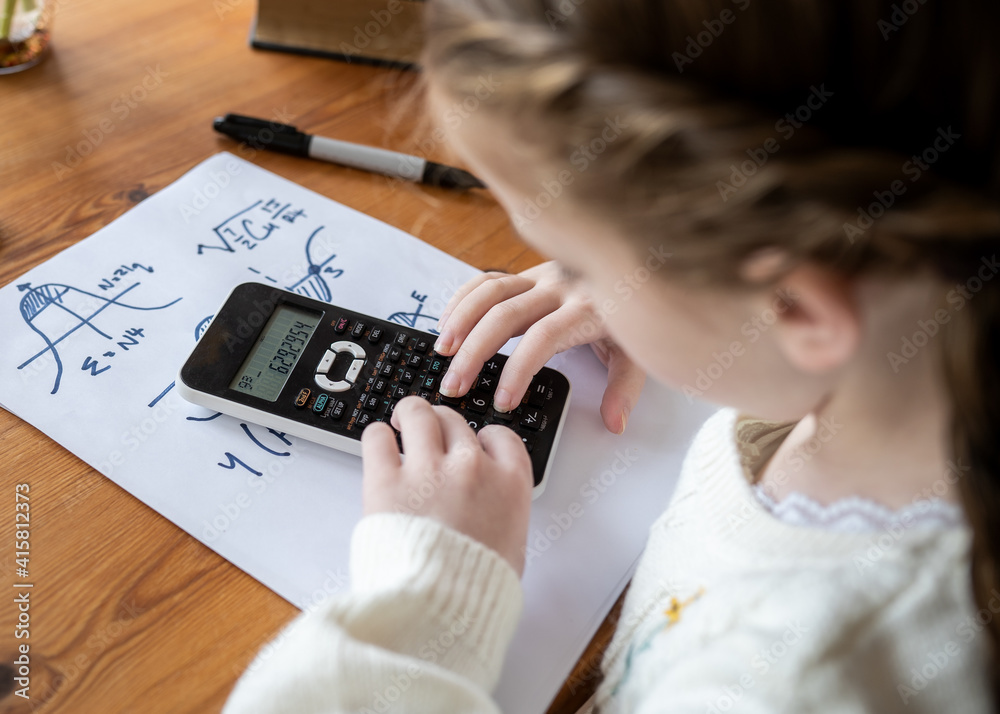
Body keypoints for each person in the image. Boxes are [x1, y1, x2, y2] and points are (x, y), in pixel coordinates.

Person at [224, 0, 1000, 711]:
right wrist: (669, 288)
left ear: (795, 304)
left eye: (577, 261)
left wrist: (428, 603)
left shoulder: (785, 683)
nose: (566, 287)